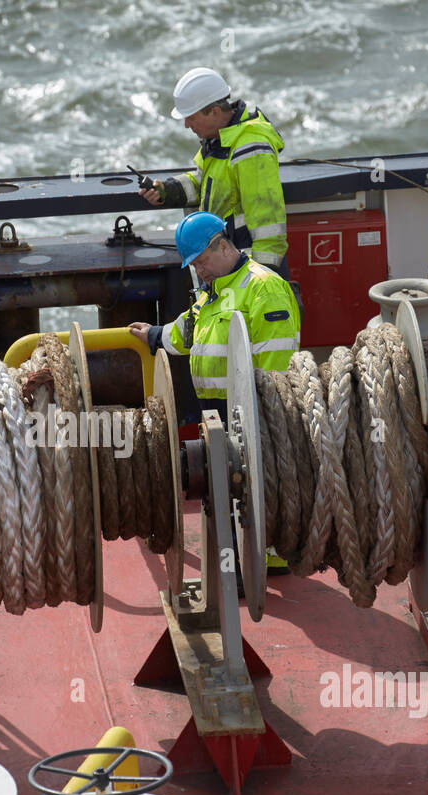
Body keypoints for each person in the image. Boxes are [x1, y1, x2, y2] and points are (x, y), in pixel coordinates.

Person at [129, 212, 299, 577]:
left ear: (223, 246)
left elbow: (277, 367)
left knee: (255, 481)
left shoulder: (263, 288)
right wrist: (155, 335)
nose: (199, 271)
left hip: (250, 411)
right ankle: (243, 557)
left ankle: (267, 554)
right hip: (216, 413)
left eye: (202, 262)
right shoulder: (213, 292)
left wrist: (265, 419)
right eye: (193, 266)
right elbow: (188, 332)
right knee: (227, 490)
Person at [139, 68, 290, 279]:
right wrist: (166, 190)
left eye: (191, 118)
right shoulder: (219, 140)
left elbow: (268, 222)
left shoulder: (251, 148)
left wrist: (263, 279)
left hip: (246, 272)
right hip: (226, 267)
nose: (186, 125)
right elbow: (203, 184)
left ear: (215, 112)